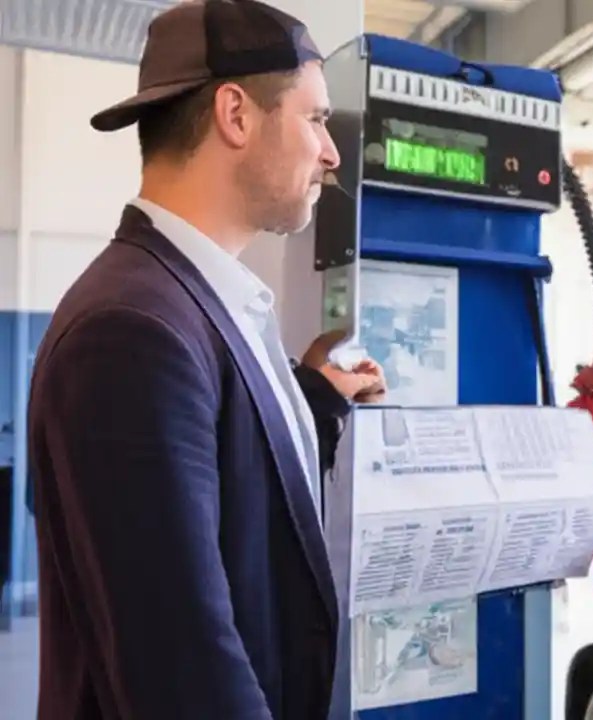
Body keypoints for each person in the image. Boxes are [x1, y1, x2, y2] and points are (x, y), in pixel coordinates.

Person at [26, 2, 385, 718]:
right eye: (315, 118)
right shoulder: (131, 330)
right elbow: (183, 671)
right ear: (236, 114)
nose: (332, 152)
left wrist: (311, 399)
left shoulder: (198, 305)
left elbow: (225, 486)